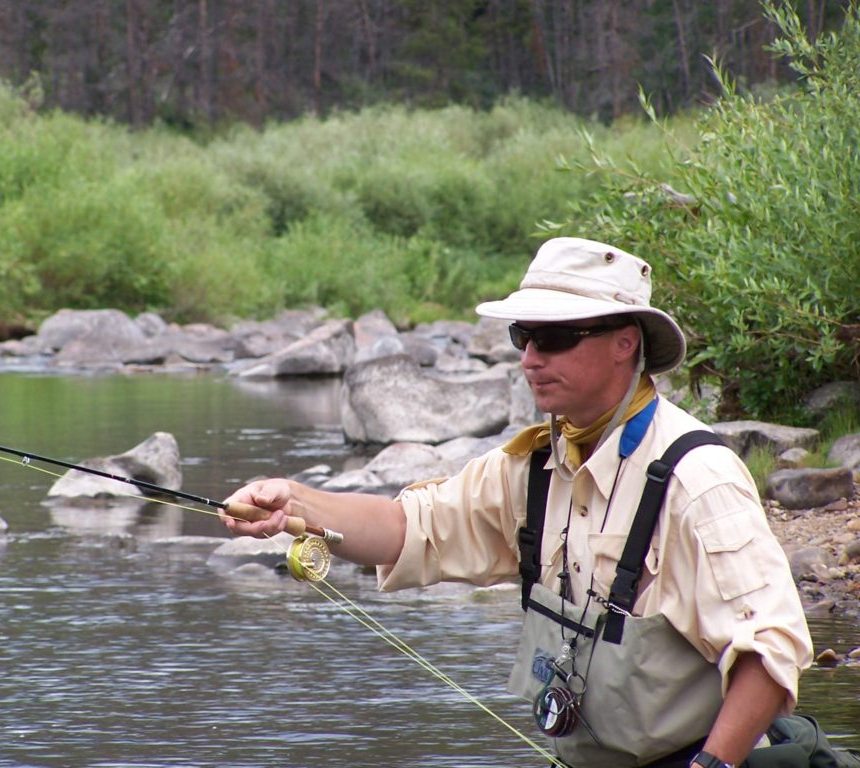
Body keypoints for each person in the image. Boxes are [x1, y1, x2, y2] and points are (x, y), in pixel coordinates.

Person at [223, 237, 817, 768]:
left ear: (624, 344)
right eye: (522, 337)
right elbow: (407, 528)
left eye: (554, 338)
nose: (530, 358)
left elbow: (769, 654)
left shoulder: (699, 480)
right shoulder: (529, 468)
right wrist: (294, 501)